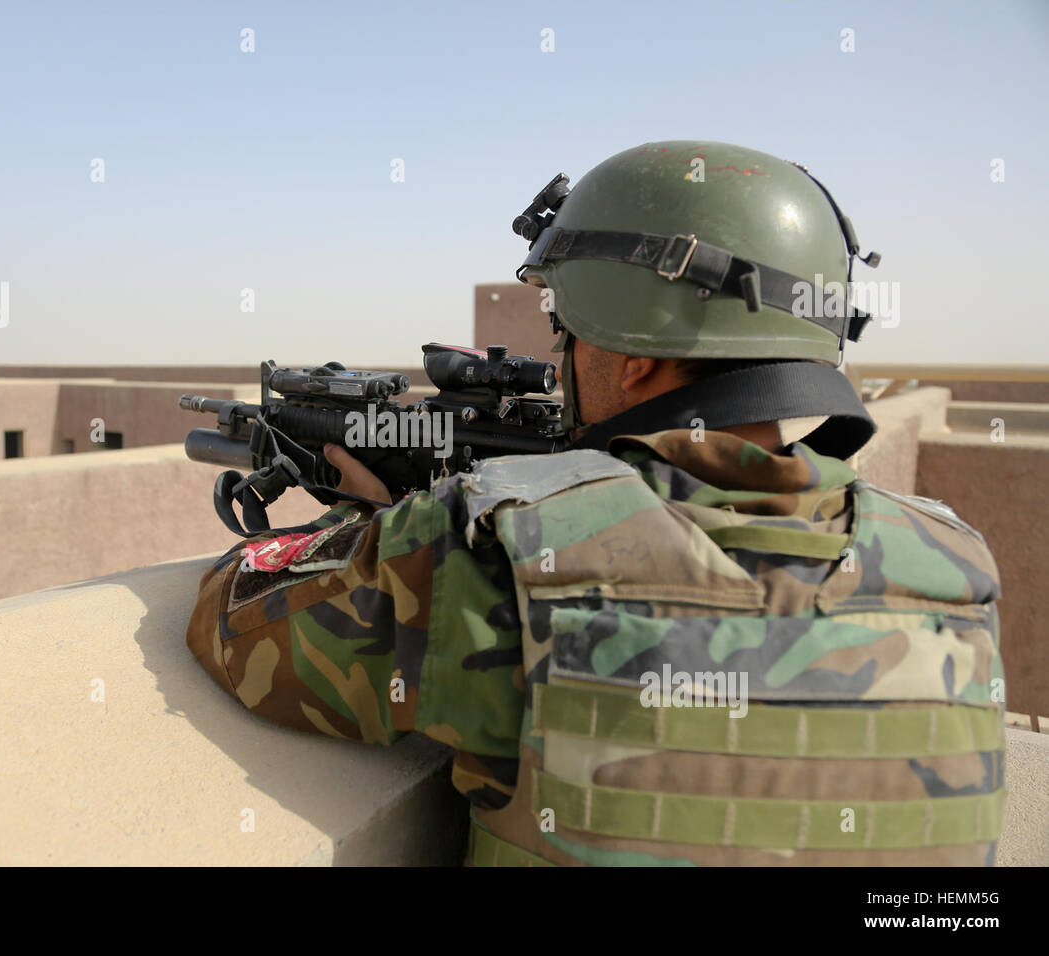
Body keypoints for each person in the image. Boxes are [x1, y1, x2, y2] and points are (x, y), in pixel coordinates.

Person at [186, 141, 1005, 866]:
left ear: (632, 356)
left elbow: (234, 619)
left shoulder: (500, 554)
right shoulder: (954, 568)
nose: (562, 354)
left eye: (566, 332)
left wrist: (366, 524)